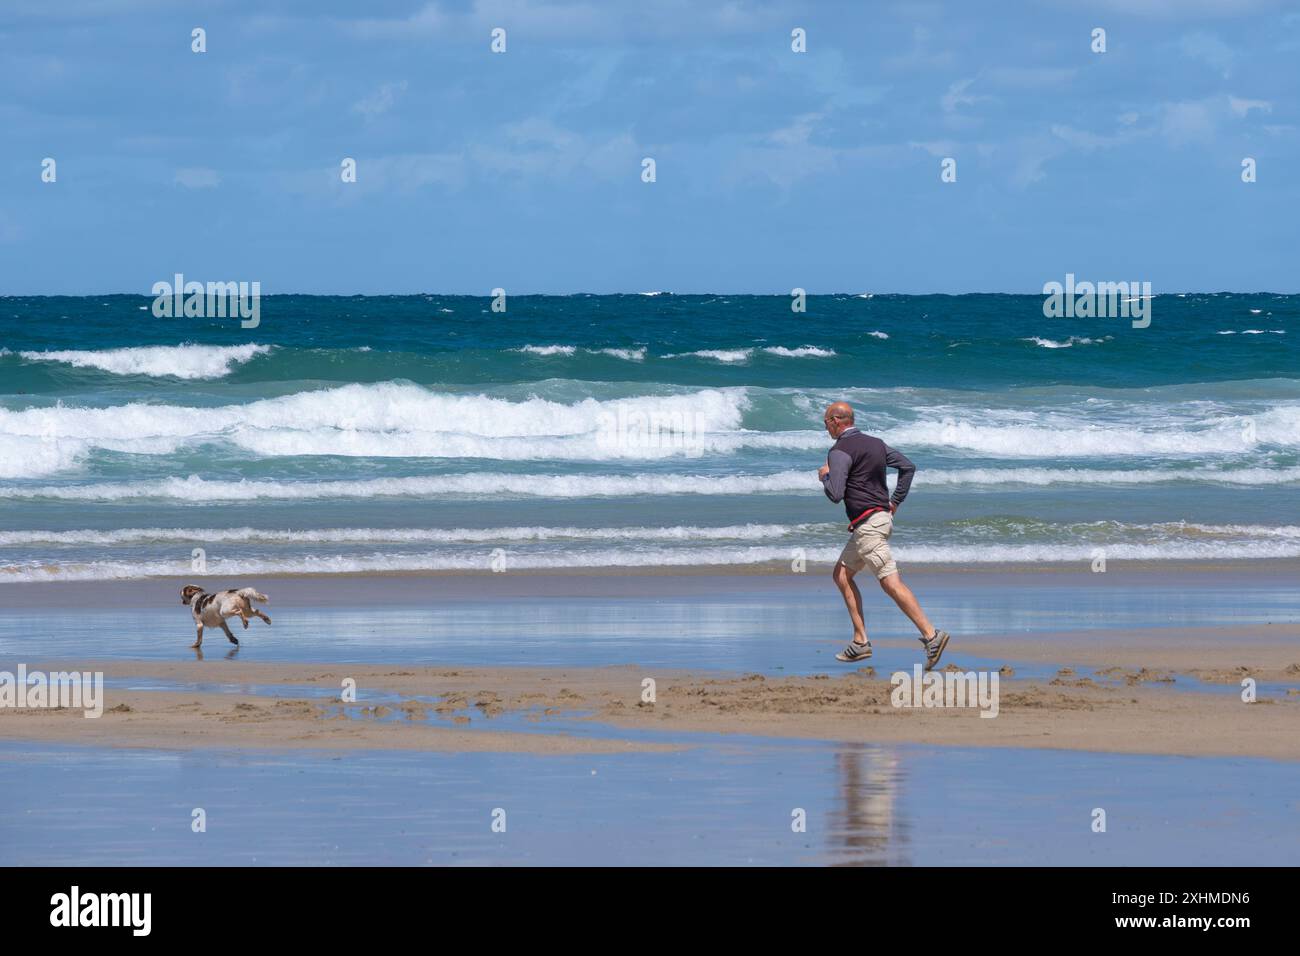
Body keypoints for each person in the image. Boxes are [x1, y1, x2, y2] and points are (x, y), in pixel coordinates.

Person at [818, 402, 950, 670]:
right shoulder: (876, 443)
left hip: (870, 527)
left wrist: (825, 476)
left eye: (825, 423)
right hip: (872, 523)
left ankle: (931, 635)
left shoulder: (839, 451)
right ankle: (860, 641)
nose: (825, 428)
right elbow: (908, 467)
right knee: (841, 575)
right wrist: (894, 502)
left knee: (890, 582)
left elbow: (836, 493)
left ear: (836, 421)